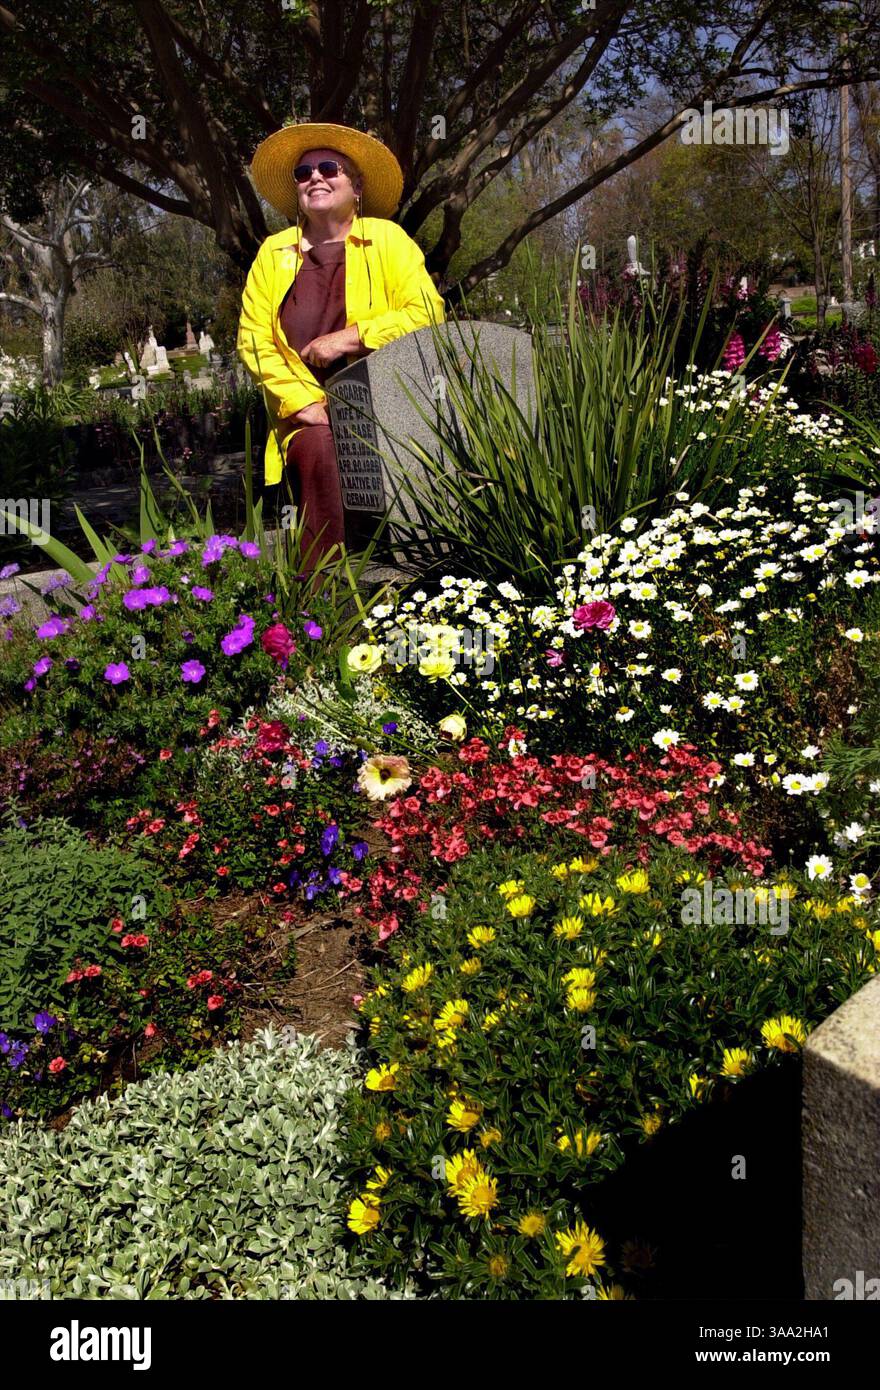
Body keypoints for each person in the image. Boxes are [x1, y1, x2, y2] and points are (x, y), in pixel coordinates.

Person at [237, 120, 446, 565]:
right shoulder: (272, 253)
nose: (315, 176)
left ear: (356, 186)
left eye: (329, 167)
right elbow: (252, 339)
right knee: (320, 447)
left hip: (387, 402)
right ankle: (323, 604)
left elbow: (428, 313)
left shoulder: (388, 240)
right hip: (309, 412)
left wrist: (348, 339)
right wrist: (301, 402)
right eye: (303, 172)